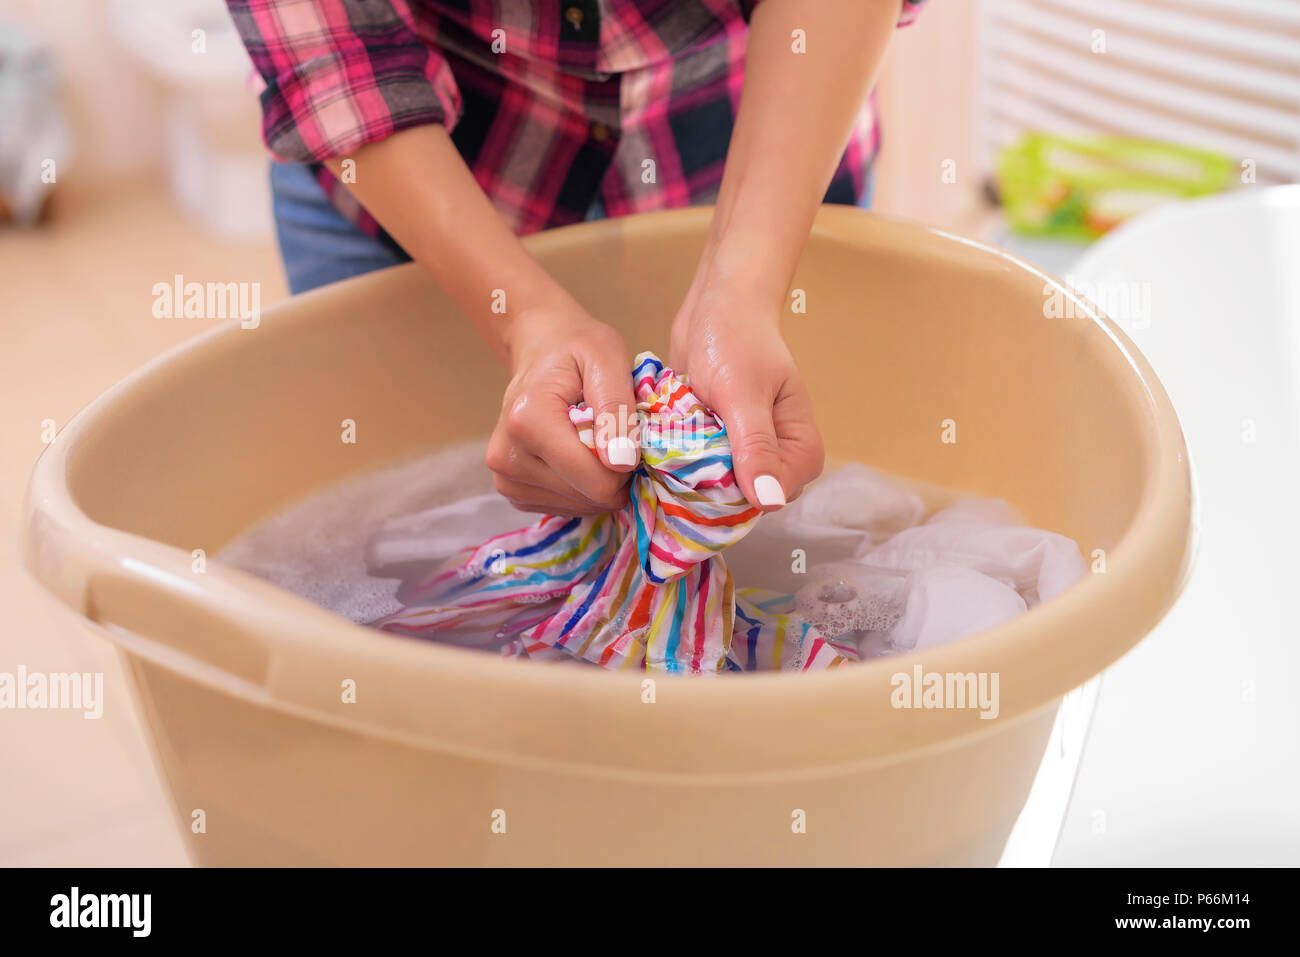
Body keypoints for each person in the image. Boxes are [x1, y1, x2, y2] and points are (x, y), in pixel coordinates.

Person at [227, 0, 925, 516]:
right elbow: (338, 60)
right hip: (413, 166)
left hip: (749, 125)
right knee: (391, 537)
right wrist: (523, 320)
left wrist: (742, 285)